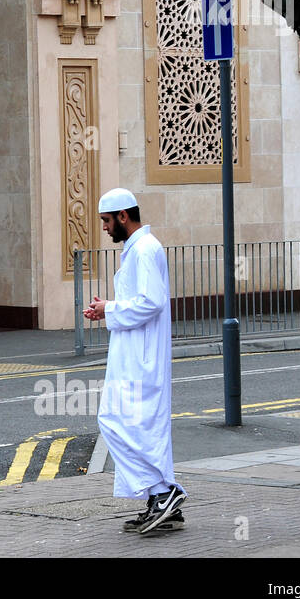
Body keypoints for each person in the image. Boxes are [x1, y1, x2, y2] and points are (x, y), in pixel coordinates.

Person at [83, 187, 185, 534]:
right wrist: (106, 310)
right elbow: (140, 300)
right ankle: (161, 498)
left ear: (123, 216)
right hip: (135, 352)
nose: (105, 228)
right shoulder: (139, 249)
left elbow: (151, 302)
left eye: (107, 221)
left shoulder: (144, 250)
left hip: (141, 358)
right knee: (141, 426)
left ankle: (164, 493)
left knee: (115, 420)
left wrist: (108, 308)